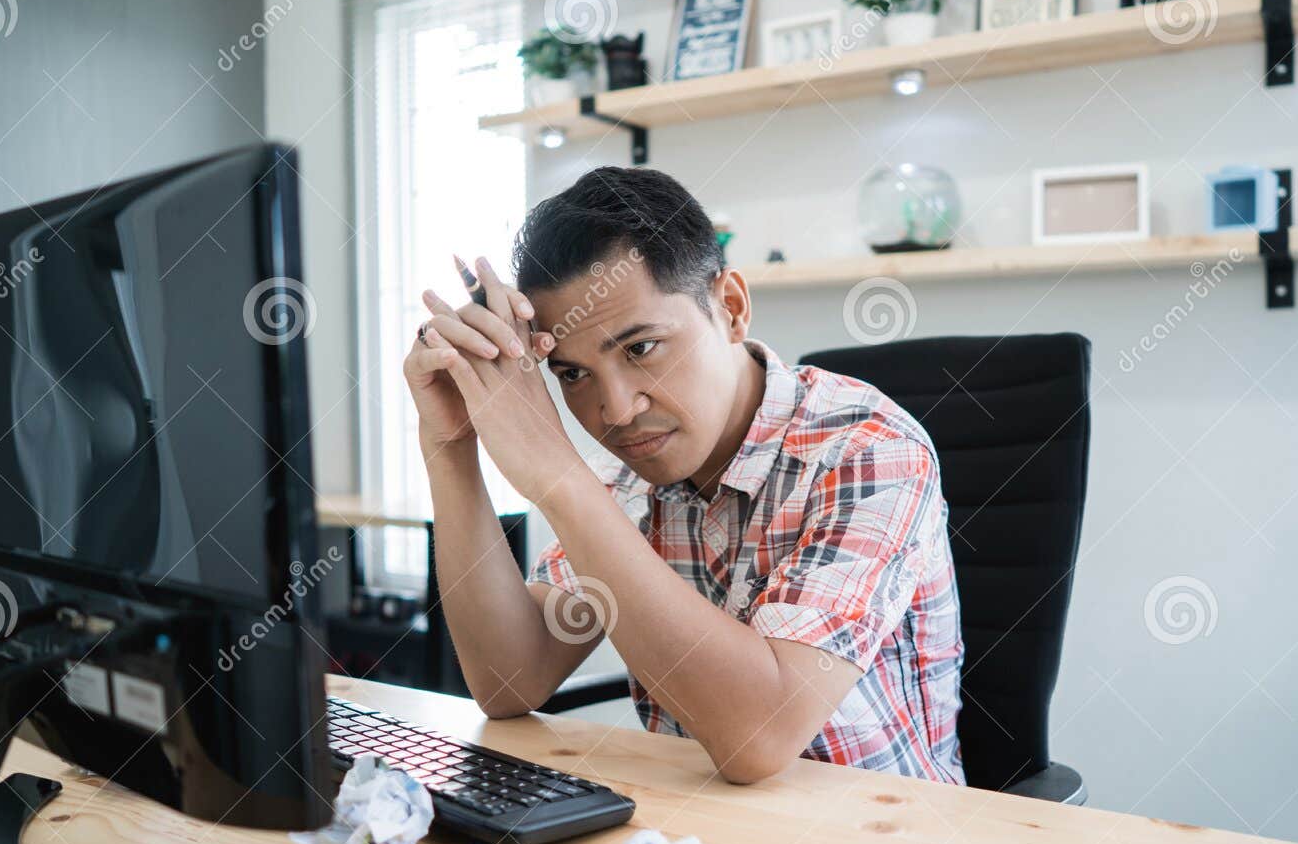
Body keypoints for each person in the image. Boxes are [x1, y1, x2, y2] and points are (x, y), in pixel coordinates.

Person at [404, 166, 964, 784]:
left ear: (730, 308)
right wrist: (451, 444)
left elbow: (758, 739)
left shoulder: (868, 451)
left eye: (640, 348)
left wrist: (558, 475)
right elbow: (511, 681)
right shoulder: (629, 475)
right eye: (572, 375)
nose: (616, 411)